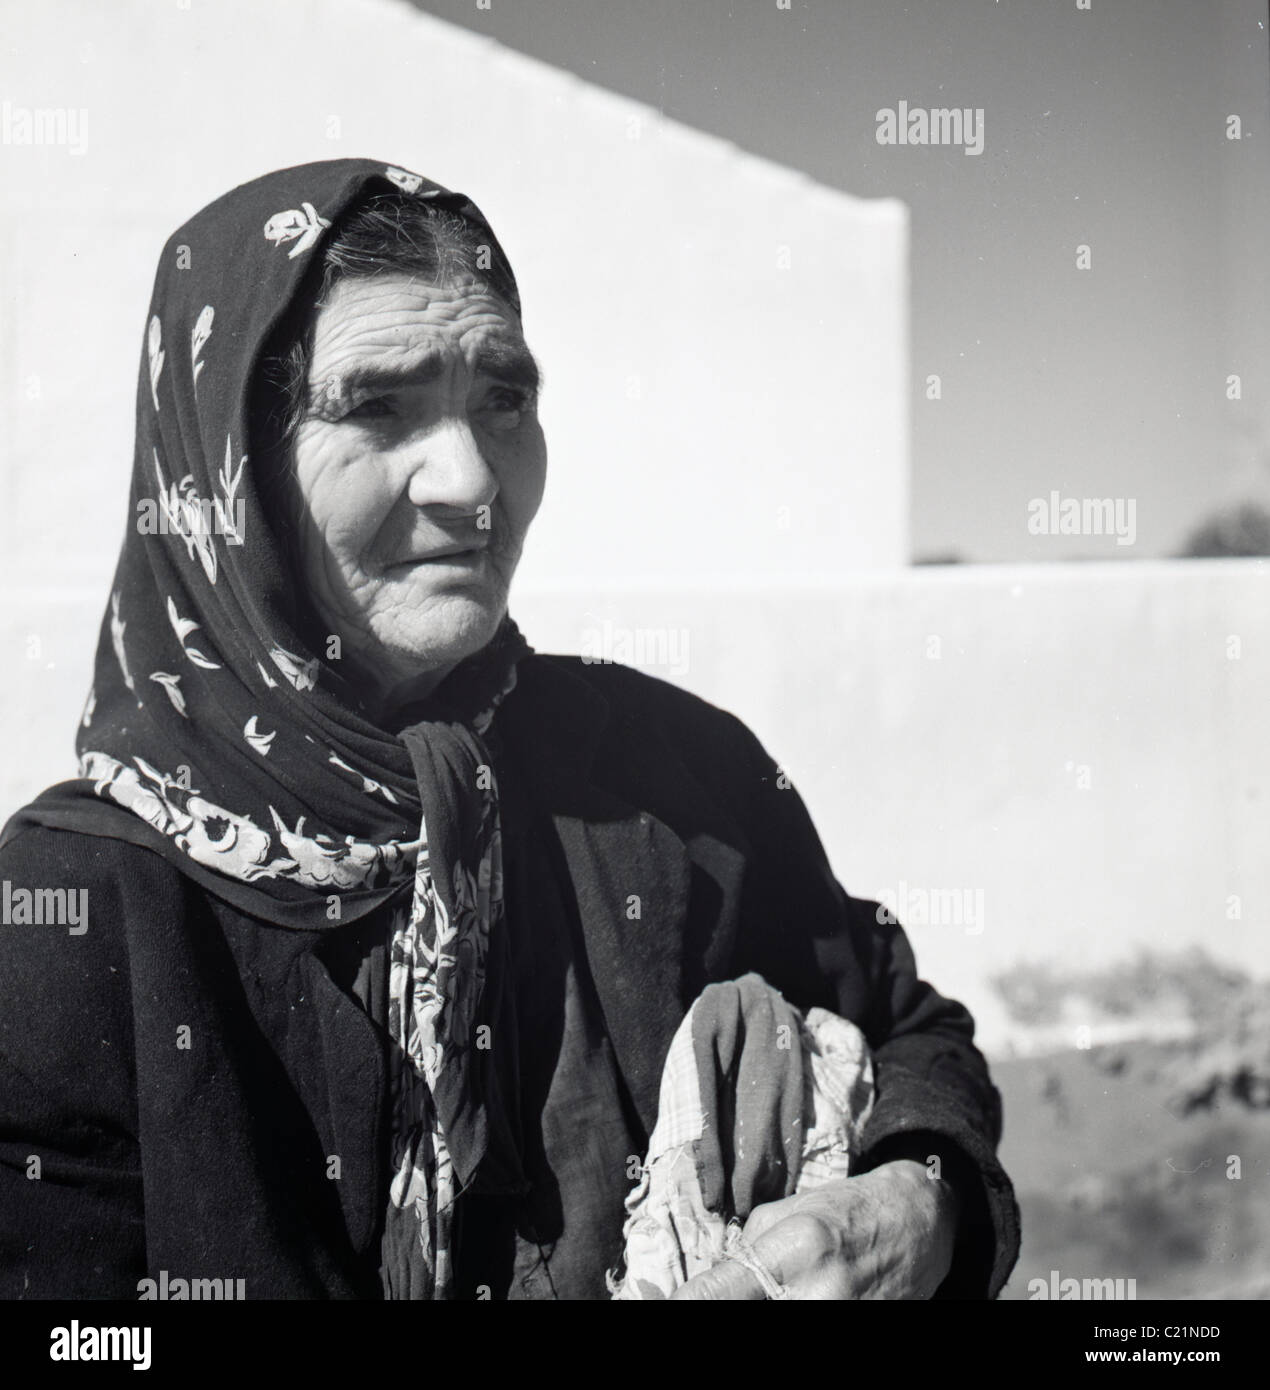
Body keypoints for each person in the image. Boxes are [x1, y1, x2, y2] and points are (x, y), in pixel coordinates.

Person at [0, 158, 1019, 1300]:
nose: (472, 479)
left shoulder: (675, 776)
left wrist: (916, 1202)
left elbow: (908, 1028)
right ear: (228, 472)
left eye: (503, 398)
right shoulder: (74, 910)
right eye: (378, 405)